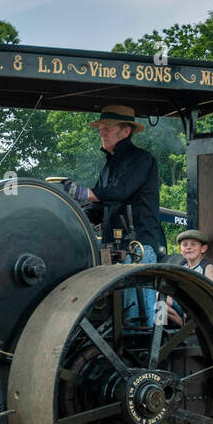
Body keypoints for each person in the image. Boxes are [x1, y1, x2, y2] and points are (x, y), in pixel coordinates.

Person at [60, 105, 166, 322]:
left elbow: (119, 191)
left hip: (139, 248)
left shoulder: (141, 159)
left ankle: (144, 349)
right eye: (100, 128)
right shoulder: (109, 166)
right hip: (115, 249)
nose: (101, 132)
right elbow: (99, 207)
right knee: (117, 317)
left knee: (136, 319)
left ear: (126, 131)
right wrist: (70, 215)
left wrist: (80, 192)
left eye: (107, 127)